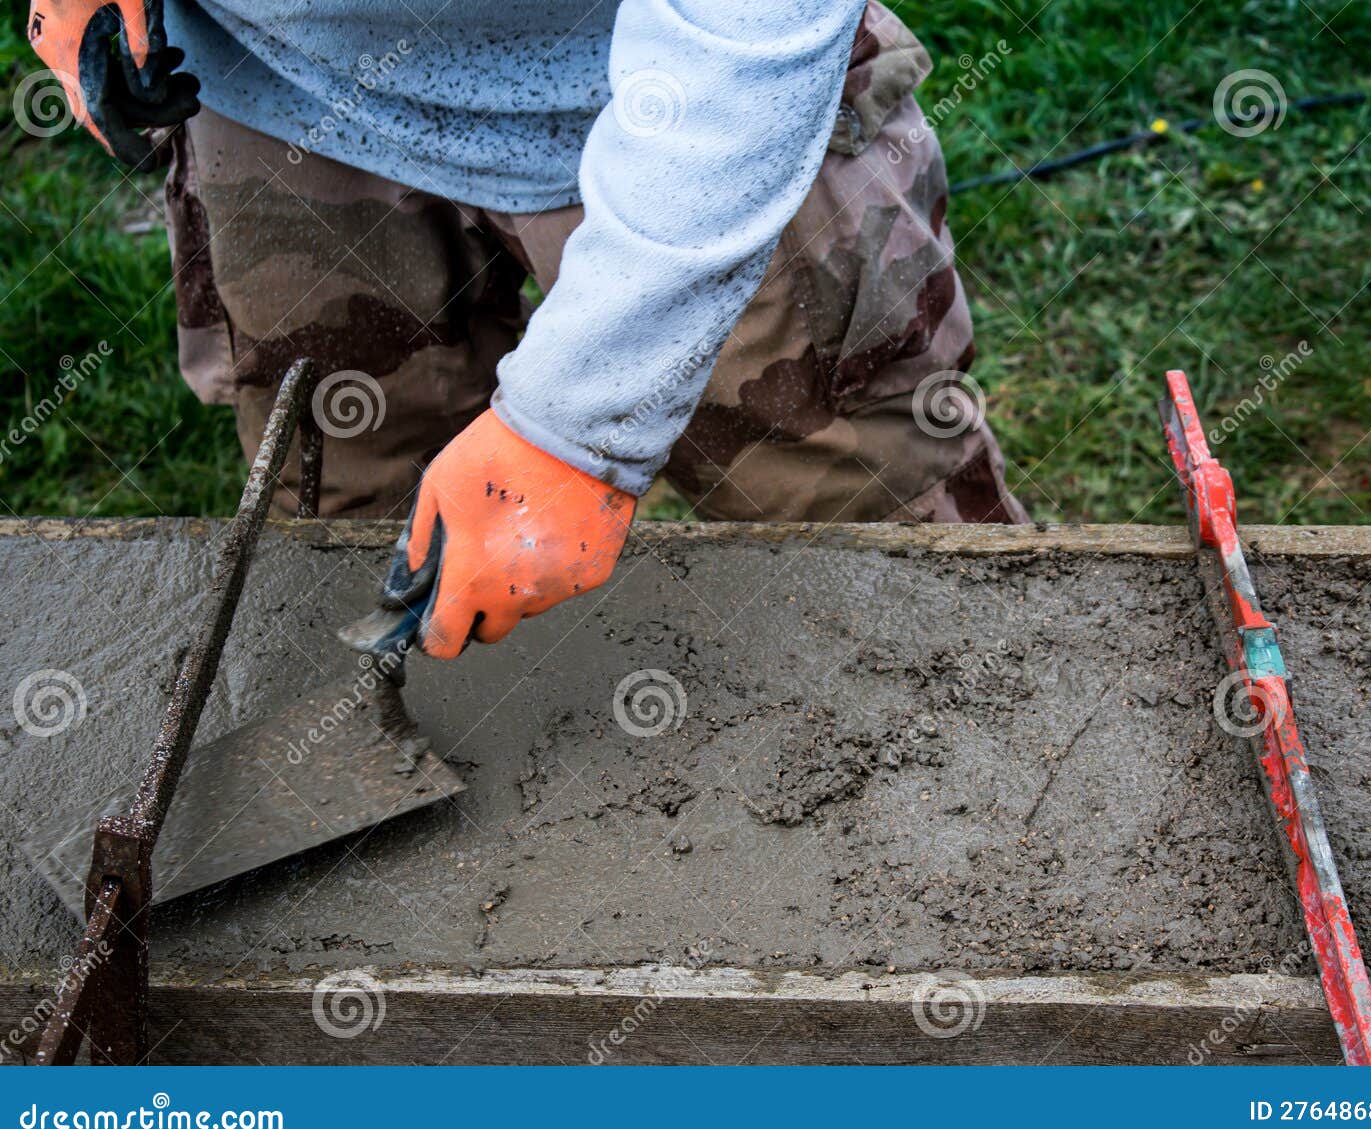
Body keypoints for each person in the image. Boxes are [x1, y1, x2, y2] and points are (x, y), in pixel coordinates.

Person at [28, 0, 1027, 661]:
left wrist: (577, 433)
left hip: (694, 109)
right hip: (281, 95)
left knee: (896, 593)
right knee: (353, 557)